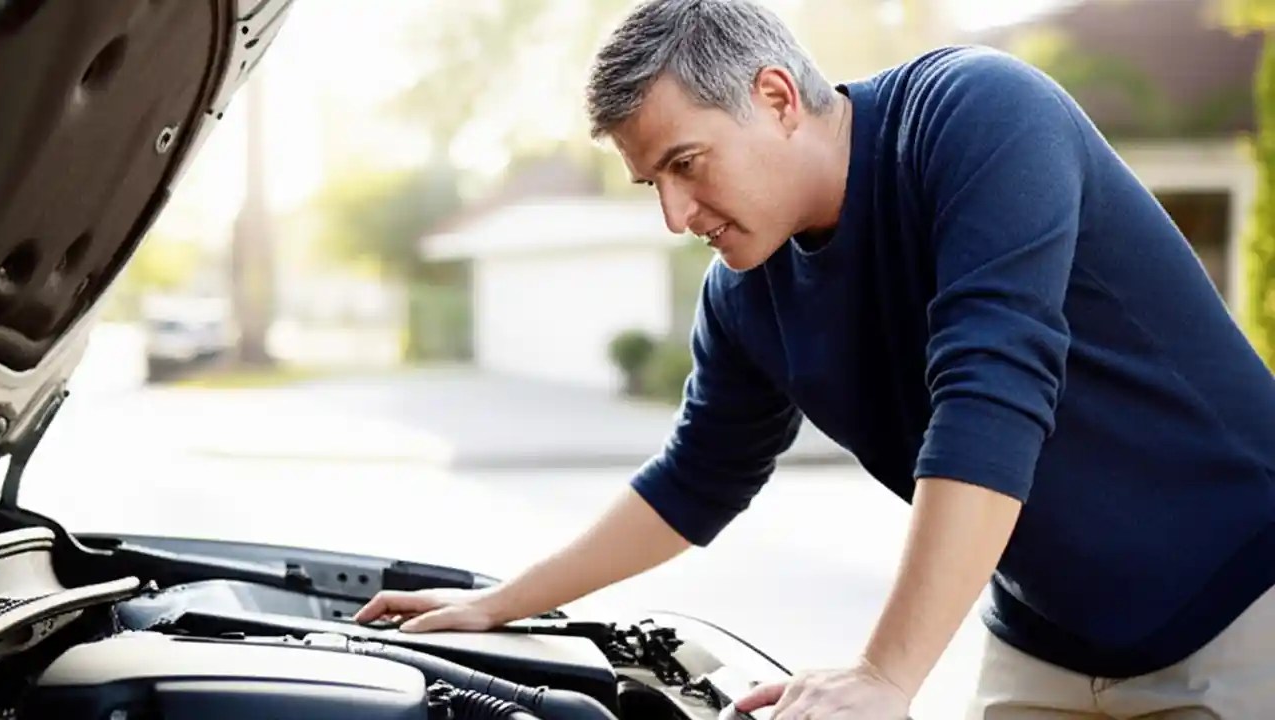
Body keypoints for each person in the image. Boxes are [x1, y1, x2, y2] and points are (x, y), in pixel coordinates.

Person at [355, 1, 1275, 717]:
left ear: (777, 97)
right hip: (1047, 640)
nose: (675, 217)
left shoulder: (978, 116)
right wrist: (501, 604)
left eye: (686, 163)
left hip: (1242, 610)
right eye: (652, 185)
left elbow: (992, 391)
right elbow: (694, 481)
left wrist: (883, 674)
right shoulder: (745, 294)